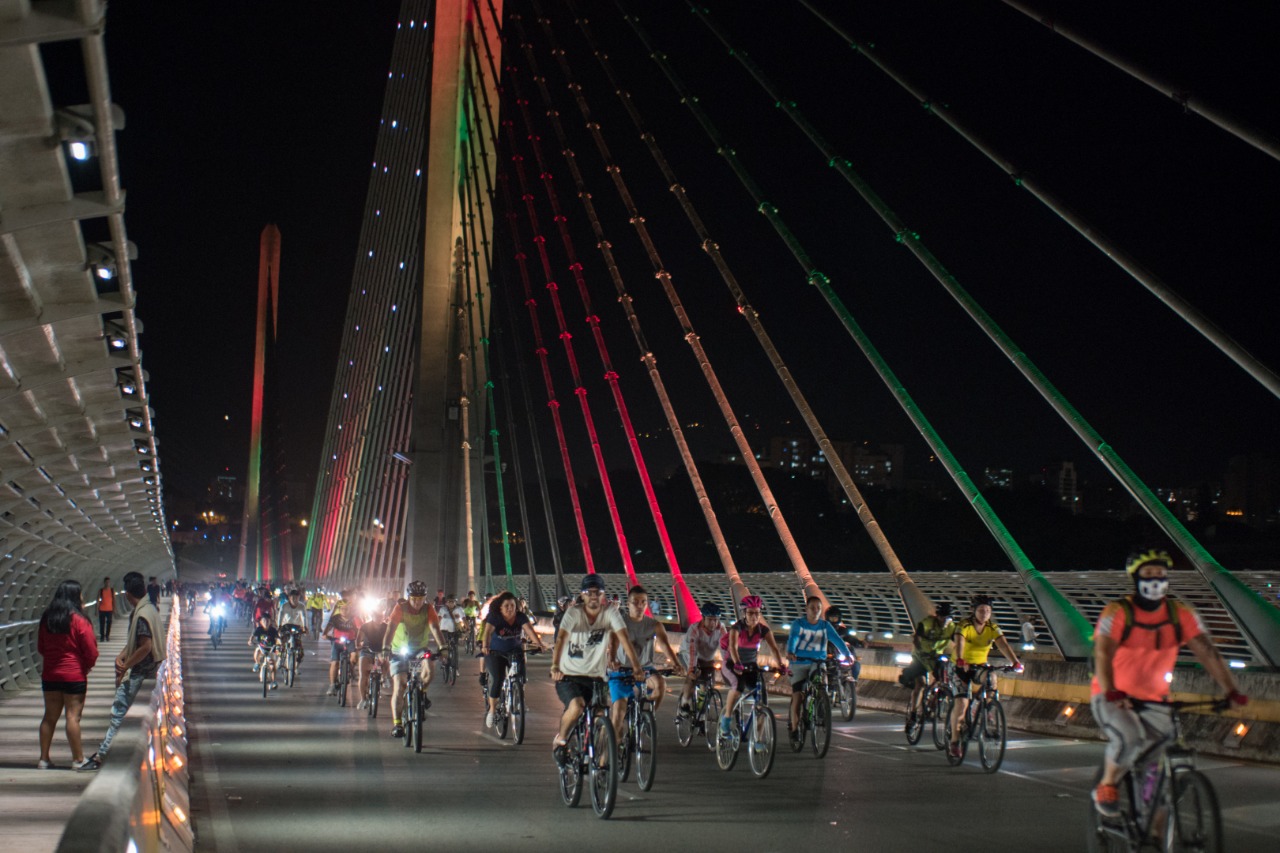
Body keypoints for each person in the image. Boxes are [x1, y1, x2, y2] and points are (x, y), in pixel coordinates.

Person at [1090, 549, 1248, 817]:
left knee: (1161, 764)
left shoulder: (1181, 614)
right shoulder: (1116, 612)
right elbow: (1103, 653)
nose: (1156, 579)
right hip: (1112, 697)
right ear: (1136, 578)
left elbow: (1208, 652)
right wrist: (1112, 691)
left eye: (1161, 574)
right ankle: (1107, 785)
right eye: (1149, 574)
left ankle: (1155, 832)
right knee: (1130, 738)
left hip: (1156, 700)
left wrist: (1231, 690)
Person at [550, 574, 643, 762]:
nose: (593, 596)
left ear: (603, 595)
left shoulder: (610, 612)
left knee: (602, 714)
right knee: (577, 706)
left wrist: (636, 667)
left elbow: (623, 637)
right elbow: (561, 639)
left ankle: (598, 761)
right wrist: (555, 666)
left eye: (597, 592)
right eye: (589, 592)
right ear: (582, 595)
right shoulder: (573, 613)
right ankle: (560, 740)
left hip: (596, 677)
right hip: (569, 675)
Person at [82, 571, 165, 770]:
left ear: (128, 594)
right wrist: (123, 654)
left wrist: (126, 665)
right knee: (121, 712)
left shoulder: (142, 614)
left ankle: (103, 755)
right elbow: (137, 643)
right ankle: (106, 751)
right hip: (149, 669)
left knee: (119, 711)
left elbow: (145, 646)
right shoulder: (148, 608)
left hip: (140, 672)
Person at [948, 595, 1022, 757]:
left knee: (992, 677)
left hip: (979, 666)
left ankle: (988, 708)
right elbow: (959, 641)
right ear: (973, 611)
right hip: (959, 666)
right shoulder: (964, 625)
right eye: (981, 610)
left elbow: (1003, 644)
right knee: (961, 705)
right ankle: (954, 741)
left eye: (988, 611)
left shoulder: (992, 628)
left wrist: (1015, 662)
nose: (984, 614)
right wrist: (960, 659)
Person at [37, 580, 99, 770]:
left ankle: (44, 759)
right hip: (73, 675)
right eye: (80, 594)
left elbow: (41, 647)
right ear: (74, 596)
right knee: (73, 717)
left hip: (50, 674)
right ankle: (78, 760)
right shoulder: (79, 620)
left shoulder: (47, 618)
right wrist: (86, 666)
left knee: (49, 717)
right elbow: (91, 650)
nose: (82, 597)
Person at [608, 585, 684, 738]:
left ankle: (647, 717)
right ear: (627, 604)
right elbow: (613, 643)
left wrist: (676, 664)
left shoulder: (654, 625)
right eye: (635, 602)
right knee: (618, 719)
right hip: (623, 670)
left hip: (646, 670)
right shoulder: (619, 623)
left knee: (661, 685)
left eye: (643, 602)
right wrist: (612, 660)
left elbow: (664, 645)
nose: (640, 606)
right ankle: (614, 753)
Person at [786, 596, 854, 742]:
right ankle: (794, 727)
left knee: (821, 684)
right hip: (799, 662)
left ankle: (820, 704)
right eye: (812, 608)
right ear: (806, 609)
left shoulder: (825, 626)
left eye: (818, 608)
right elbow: (793, 638)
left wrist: (847, 655)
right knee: (797, 695)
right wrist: (791, 652)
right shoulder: (798, 624)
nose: (815, 611)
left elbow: (837, 640)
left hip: (818, 662)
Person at [719, 595, 787, 738]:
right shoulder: (737, 628)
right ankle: (726, 719)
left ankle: (758, 739)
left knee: (762, 702)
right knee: (737, 688)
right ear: (744, 613)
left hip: (751, 666)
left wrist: (780, 665)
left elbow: (774, 648)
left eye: (757, 613)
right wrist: (737, 663)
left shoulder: (763, 630)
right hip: (732, 664)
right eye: (750, 613)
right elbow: (732, 647)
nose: (754, 616)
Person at [385, 581, 444, 738]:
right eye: (414, 599)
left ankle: (422, 693)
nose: (417, 602)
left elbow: (435, 628)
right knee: (400, 685)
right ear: (408, 597)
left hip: (418, 651)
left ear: (425, 597)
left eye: (421, 598)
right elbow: (391, 627)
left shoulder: (428, 608)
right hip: (399, 651)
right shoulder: (400, 608)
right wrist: (386, 647)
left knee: (429, 670)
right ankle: (397, 724)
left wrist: (443, 647)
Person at [480, 590, 545, 727]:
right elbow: (487, 633)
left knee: (521, 676)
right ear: (500, 607)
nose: (510, 608)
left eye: (513, 605)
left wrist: (539, 645)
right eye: (507, 606)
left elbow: (529, 631)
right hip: (495, 652)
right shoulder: (495, 617)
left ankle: (518, 694)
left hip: (514, 651)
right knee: (497, 678)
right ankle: (492, 710)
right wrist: (485, 646)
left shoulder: (520, 617)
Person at [899, 602, 955, 723]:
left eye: (948, 618)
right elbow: (917, 638)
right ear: (937, 616)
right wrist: (920, 649)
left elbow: (959, 642)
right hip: (920, 656)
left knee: (943, 677)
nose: (945, 621)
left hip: (935, 657)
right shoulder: (927, 623)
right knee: (920, 684)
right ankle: (913, 713)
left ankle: (932, 700)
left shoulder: (951, 628)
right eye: (942, 617)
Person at [678, 601, 725, 713]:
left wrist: (729, 664)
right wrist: (691, 670)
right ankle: (684, 703)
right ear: (703, 618)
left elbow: (725, 648)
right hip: (687, 655)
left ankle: (701, 710)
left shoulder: (721, 628)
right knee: (692, 678)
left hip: (707, 658)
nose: (713, 623)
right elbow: (692, 651)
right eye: (710, 620)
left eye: (716, 619)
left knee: (709, 684)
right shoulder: (695, 629)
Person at [322, 590, 360, 697]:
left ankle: (352, 671)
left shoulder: (354, 618)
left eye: (346, 609)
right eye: (342, 609)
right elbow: (328, 627)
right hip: (337, 641)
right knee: (334, 663)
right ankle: (332, 685)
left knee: (354, 657)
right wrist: (325, 634)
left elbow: (361, 628)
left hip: (351, 641)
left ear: (350, 609)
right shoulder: (335, 618)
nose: (344, 611)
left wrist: (361, 639)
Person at [356, 604, 389, 710]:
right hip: (367, 651)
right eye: (377, 616)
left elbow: (392, 638)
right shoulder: (365, 626)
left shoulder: (386, 627)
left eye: (381, 616)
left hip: (381, 651)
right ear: (372, 616)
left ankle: (384, 677)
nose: (380, 618)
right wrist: (358, 646)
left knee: (386, 659)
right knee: (363, 675)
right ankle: (363, 699)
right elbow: (358, 639)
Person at [250, 613, 281, 689]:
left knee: (272, 665)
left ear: (270, 622)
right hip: (262, 648)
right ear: (261, 622)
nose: (266, 622)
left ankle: (273, 681)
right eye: (264, 621)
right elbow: (252, 636)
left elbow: (278, 638)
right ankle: (257, 664)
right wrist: (250, 641)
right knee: (257, 651)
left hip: (271, 649)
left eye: (267, 621)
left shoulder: (273, 630)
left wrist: (280, 644)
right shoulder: (258, 629)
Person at [96, 577, 115, 642]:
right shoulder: (101, 590)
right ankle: (102, 636)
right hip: (102, 609)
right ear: (104, 582)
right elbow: (98, 600)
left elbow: (114, 600)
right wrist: (96, 609)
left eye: (108, 582)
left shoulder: (112, 590)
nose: (107, 583)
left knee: (109, 622)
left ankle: (107, 635)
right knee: (102, 623)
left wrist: (114, 609)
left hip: (109, 609)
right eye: (106, 582)